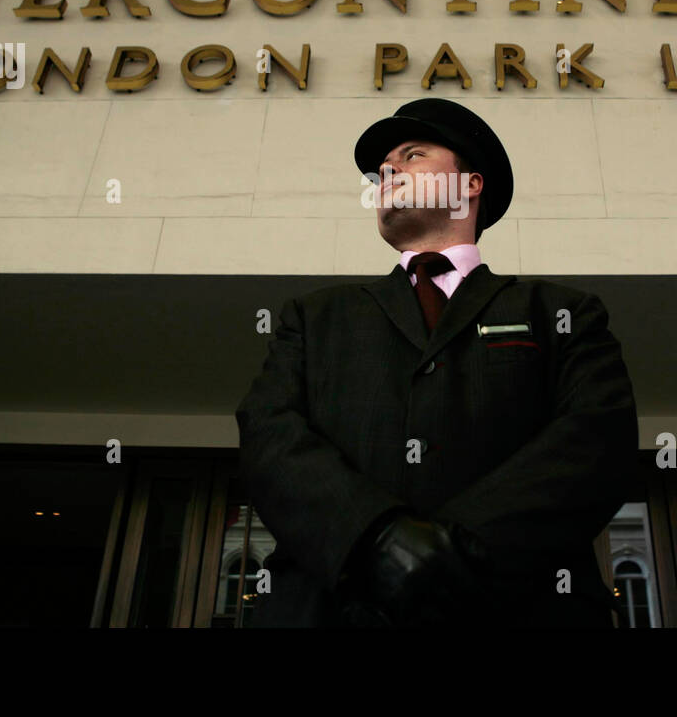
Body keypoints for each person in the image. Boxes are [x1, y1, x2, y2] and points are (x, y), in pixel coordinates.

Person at [235, 97, 639, 627]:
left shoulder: (562, 312)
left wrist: (456, 551)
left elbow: (596, 439)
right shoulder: (312, 317)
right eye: (380, 170)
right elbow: (269, 434)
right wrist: (376, 537)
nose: (386, 171)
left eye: (413, 153)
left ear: (472, 183)